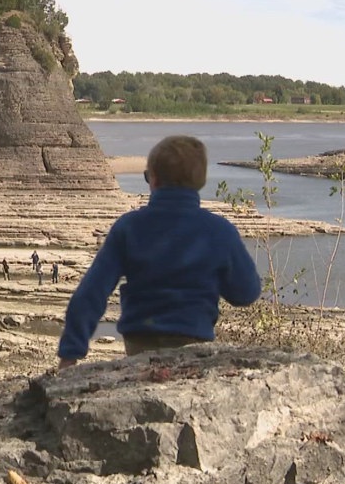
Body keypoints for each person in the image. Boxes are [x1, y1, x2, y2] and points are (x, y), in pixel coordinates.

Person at [56, 135, 262, 368]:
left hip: (139, 340)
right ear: (200, 182)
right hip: (195, 339)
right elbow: (246, 293)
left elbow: (91, 292)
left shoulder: (128, 227)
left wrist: (70, 353)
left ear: (152, 179)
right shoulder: (219, 231)